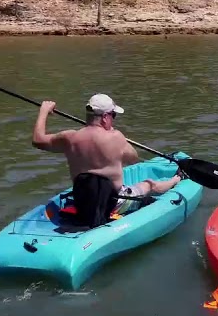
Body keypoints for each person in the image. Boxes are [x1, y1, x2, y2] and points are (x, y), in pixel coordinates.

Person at [31, 94, 183, 227]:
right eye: (113, 116)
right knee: (149, 184)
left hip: (82, 202)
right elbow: (134, 160)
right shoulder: (116, 137)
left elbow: (38, 140)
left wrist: (43, 111)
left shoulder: (69, 138)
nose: (113, 120)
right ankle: (177, 179)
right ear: (105, 117)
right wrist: (116, 138)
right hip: (114, 203)